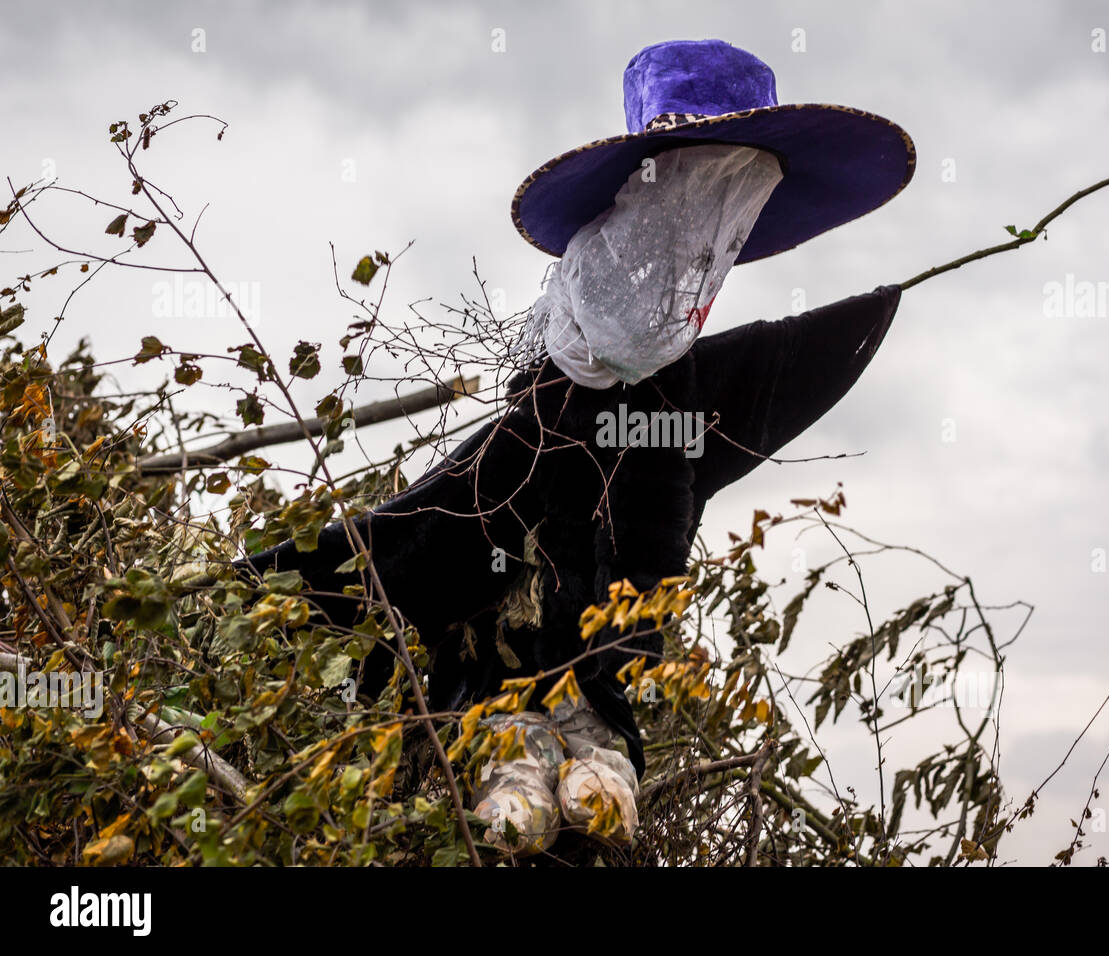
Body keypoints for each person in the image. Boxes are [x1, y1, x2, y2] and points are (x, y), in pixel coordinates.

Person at [245, 38, 914, 854]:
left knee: (619, 578)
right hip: (535, 515)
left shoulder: (674, 372)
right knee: (501, 570)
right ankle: (513, 743)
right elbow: (479, 488)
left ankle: (591, 741)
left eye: (728, 196)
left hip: (637, 506)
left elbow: (656, 495)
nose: (708, 223)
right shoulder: (582, 320)